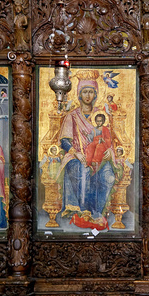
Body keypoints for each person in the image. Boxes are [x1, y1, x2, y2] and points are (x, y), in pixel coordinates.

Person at [58, 74, 116, 229]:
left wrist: (110, 152)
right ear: (79, 94)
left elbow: (109, 138)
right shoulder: (72, 116)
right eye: (85, 92)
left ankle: (99, 211)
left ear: (96, 94)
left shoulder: (101, 116)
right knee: (83, 170)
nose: (88, 95)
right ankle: (85, 211)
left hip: (99, 157)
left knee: (109, 176)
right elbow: (64, 141)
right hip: (77, 156)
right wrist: (76, 153)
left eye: (91, 92)